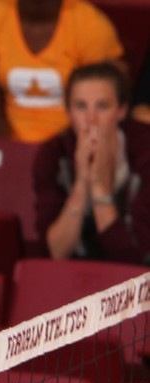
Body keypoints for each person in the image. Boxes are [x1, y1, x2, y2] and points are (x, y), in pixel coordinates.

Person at [34, 60, 150, 263]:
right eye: (81, 106)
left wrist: (99, 189)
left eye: (102, 106)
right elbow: (55, 252)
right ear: (68, 112)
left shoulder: (145, 151)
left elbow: (134, 260)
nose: (91, 119)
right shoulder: (53, 155)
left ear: (121, 110)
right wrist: (81, 183)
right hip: (73, 278)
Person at [0, 0, 123, 143]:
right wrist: (13, 155)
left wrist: (58, 156)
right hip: (8, 142)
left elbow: (101, 110)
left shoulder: (91, 25)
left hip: (74, 143)